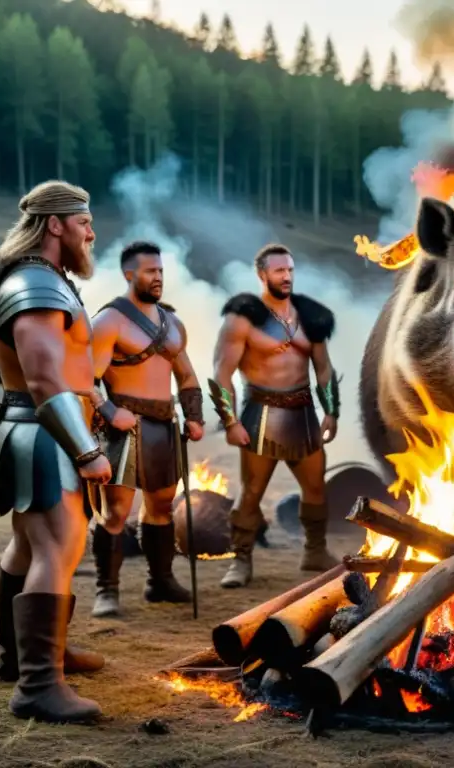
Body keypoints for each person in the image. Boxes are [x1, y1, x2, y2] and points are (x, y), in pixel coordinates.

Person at [0, 181, 111, 722]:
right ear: (55, 225)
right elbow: (43, 379)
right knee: (57, 549)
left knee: (30, 549)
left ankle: (25, 655)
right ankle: (37, 685)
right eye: (83, 221)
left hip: (41, 430)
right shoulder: (33, 283)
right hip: (47, 433)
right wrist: (84, 451)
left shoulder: (44, 279)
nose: (90, 231)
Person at [209, 243, 340, 588]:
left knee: (315, 487)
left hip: (303, 412)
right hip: (260, 413)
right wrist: (231, 422)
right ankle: (241, 560)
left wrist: (331, 411)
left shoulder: (309, 317)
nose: (286, 276)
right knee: (252, 490)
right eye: (279, 270)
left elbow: (323, 369)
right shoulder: (242, 319)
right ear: (262, 274)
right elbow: (222, 373)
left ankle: (315, 552)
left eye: (290, 270)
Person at [88, 241, 206, 617]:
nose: (157, 278)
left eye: (160, 271)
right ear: (129, 274)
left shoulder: (172, 324)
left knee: (161, 507)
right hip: (125, 427)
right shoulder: (109, 321)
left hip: (163, 427)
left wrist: (194, 415)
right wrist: (108, 409)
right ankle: (106, 591)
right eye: (149, 271)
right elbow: (83, 379)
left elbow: (186, 376)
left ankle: (160, 582)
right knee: (116, 513)